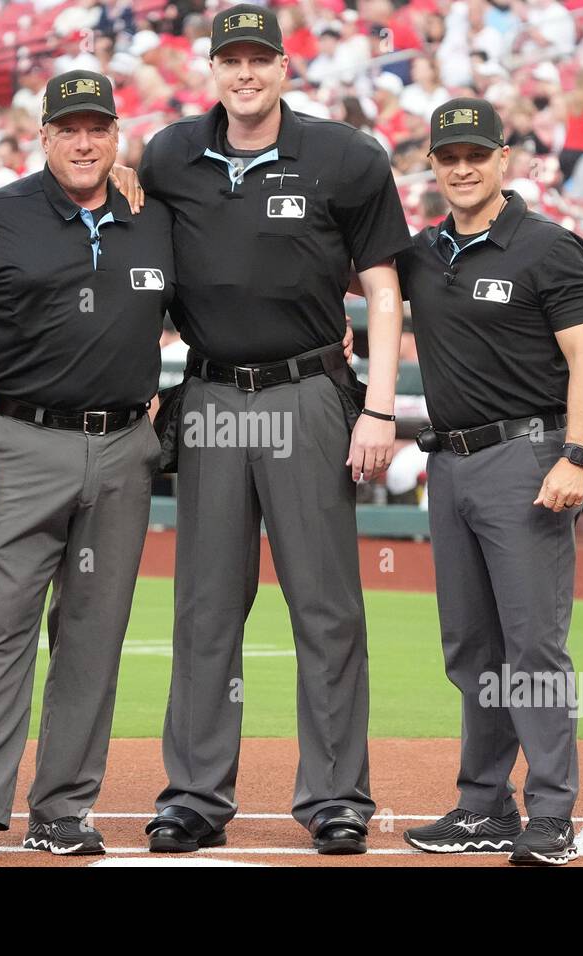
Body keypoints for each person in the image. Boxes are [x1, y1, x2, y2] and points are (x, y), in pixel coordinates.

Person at [137, 4, 407, 856]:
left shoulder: (346, 155)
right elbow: (143, 279)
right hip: (210, 393)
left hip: (308, 391)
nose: (244, 74)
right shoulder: (170, 155)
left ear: (286, 67)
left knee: (325, 607)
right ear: (212, 71)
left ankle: (336, 797)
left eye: (259, 59)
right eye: (230, 61)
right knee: (206, 606)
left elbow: (387, 292)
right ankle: (194, 793)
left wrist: (380, 407)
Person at [0, 71, 173, 863]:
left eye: (96, 128)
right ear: (42, 135)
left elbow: (218, 308)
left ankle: (63, 809)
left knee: (93, 637)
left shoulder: (152, 219)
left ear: (115, 137)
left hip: (122, 451)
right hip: (17, 443)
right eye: (67, 128)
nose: (82, 141)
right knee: (1, 630)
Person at [396, 97, 583, 866]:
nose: (461, 167)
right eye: (447, 156)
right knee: (472, 650)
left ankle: (551, 812)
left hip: (527, 457)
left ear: (503, 159)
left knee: (534, 648)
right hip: (447, 465)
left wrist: (574, 455)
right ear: (432, 163)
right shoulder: (419, 252)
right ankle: (483, 805)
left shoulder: (549, 247)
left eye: (475, 154)